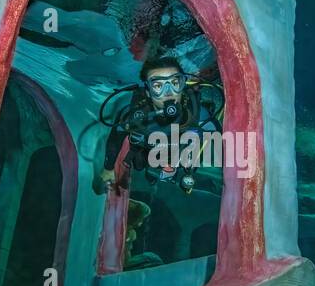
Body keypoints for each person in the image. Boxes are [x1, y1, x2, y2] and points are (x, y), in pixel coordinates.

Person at [94, 56, 222, 197]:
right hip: (149, 154)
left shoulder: (199, 114)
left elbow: (223, 145)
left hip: (181, 154)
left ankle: (162, 172)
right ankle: (153, 174)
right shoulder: (133, 115)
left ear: (183, 85)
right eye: (158, 86)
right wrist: (108, 168)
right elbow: (116, 137)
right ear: (148, 92)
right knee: (141, 165)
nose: (168, 92)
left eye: (174, 82)